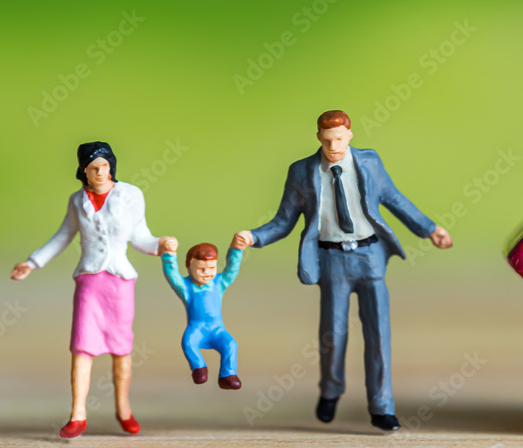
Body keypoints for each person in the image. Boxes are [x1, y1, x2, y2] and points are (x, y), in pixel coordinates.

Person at [234, 110, 452, 431]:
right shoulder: (302, 172)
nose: (333, 146)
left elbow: (394, 198)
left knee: (378, 334)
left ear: (349, 136)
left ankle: (382, 405)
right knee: (332, 335)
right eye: (327, 140)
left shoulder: (370, 163)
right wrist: (255, 236)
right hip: (331, 260)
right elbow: (284, 220)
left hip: (369, 255)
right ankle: (331, 390)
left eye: (339, 139)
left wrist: (429, 228)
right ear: (318, 138)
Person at [10, 142, 177, 439]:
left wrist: (160, 245)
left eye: (104, 166)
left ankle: (123, 408)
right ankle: (77, 414)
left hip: (120, 281)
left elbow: (140, 236)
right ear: (83, 171)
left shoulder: (130, 196)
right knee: (82, 346)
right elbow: (63, 235)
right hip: (89, 279)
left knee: (121, 348)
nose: (100, 172)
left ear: (111, 166)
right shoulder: (77, 201)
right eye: (93, 168)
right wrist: (33, 262)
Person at [160, 236, 247, 390]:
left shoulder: (219, 283)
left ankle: (228, 375)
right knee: (188, 343)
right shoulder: (186, 287)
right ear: (189, 266)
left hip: (217, 329)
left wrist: (237, 249)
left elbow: (231, 270)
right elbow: (172, 275)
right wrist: (169, 255)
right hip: (196, 329)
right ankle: (199, 368)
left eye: (212, 268)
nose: (207, 273)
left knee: (231, 344)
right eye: (201, 269)